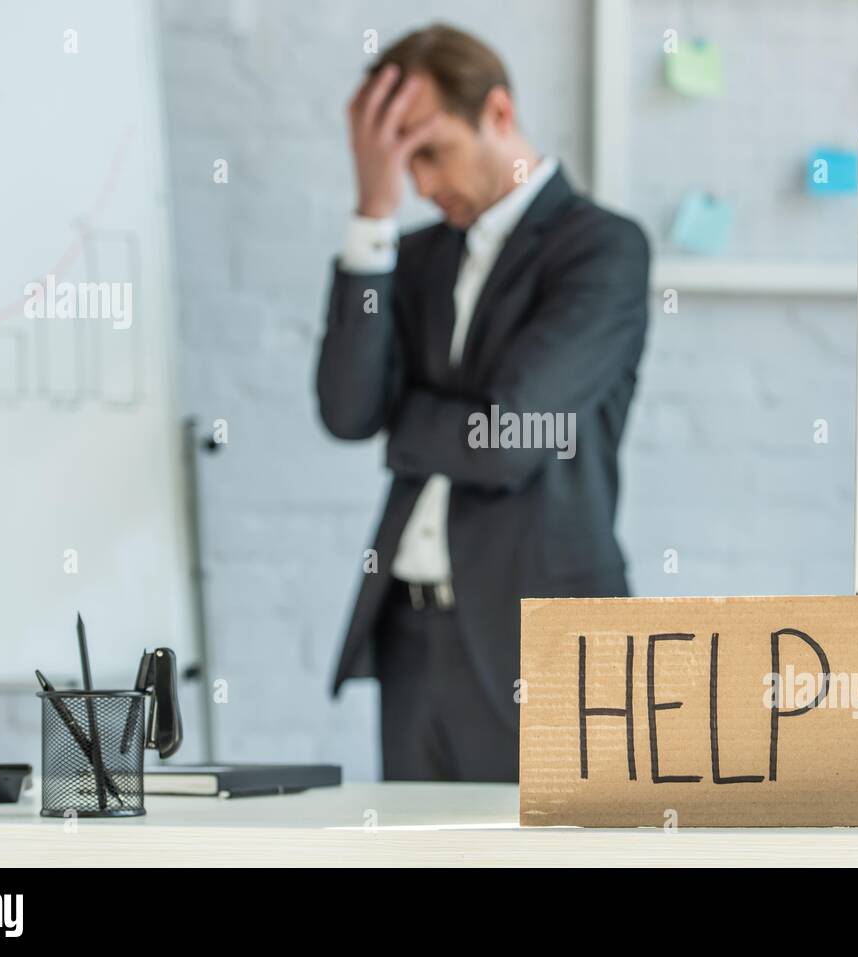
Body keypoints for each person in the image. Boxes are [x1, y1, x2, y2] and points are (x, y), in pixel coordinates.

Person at [317, 24, 649, 781]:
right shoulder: (418, 257)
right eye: (400, 160)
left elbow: (507, 440)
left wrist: (411, 418)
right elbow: (347, 411)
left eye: (428, 151)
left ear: (497, 114)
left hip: (544, 634)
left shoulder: (602, 248)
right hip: (410, 634)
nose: (422, 184)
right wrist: (372, 216)